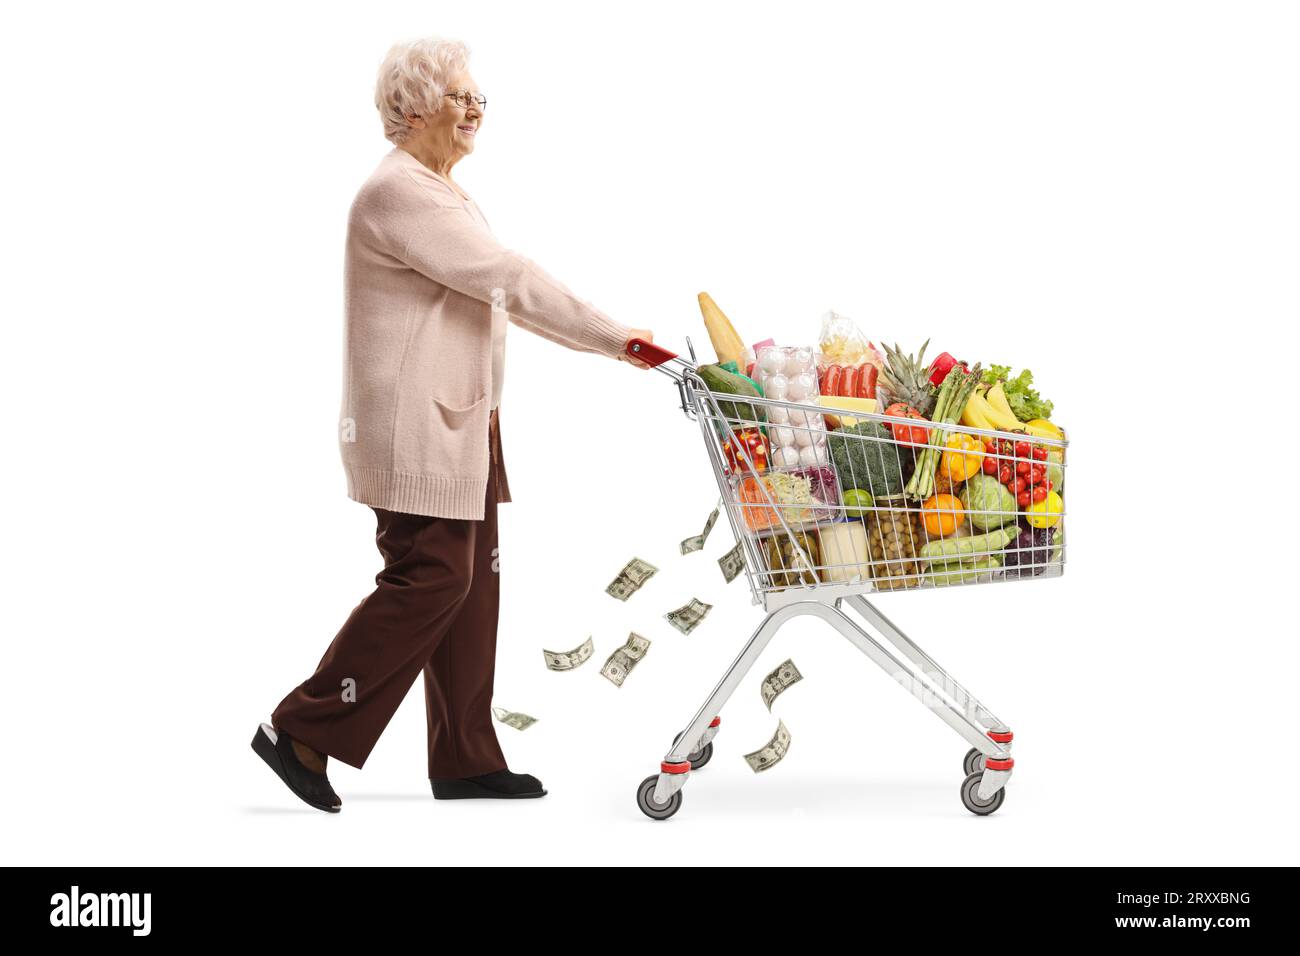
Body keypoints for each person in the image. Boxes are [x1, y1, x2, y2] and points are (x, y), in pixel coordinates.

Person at [251, 35, 655, 812]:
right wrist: (620, 340)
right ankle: (302, 727)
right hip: (416, 428)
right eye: (457, 95)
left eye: (479, 96)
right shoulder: (397, 193)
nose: (474, 108)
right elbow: (508, 278)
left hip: (465, 421)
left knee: (472, 590)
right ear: (408, 110)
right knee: (432, 576)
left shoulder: (441, 192)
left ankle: (465, 755)